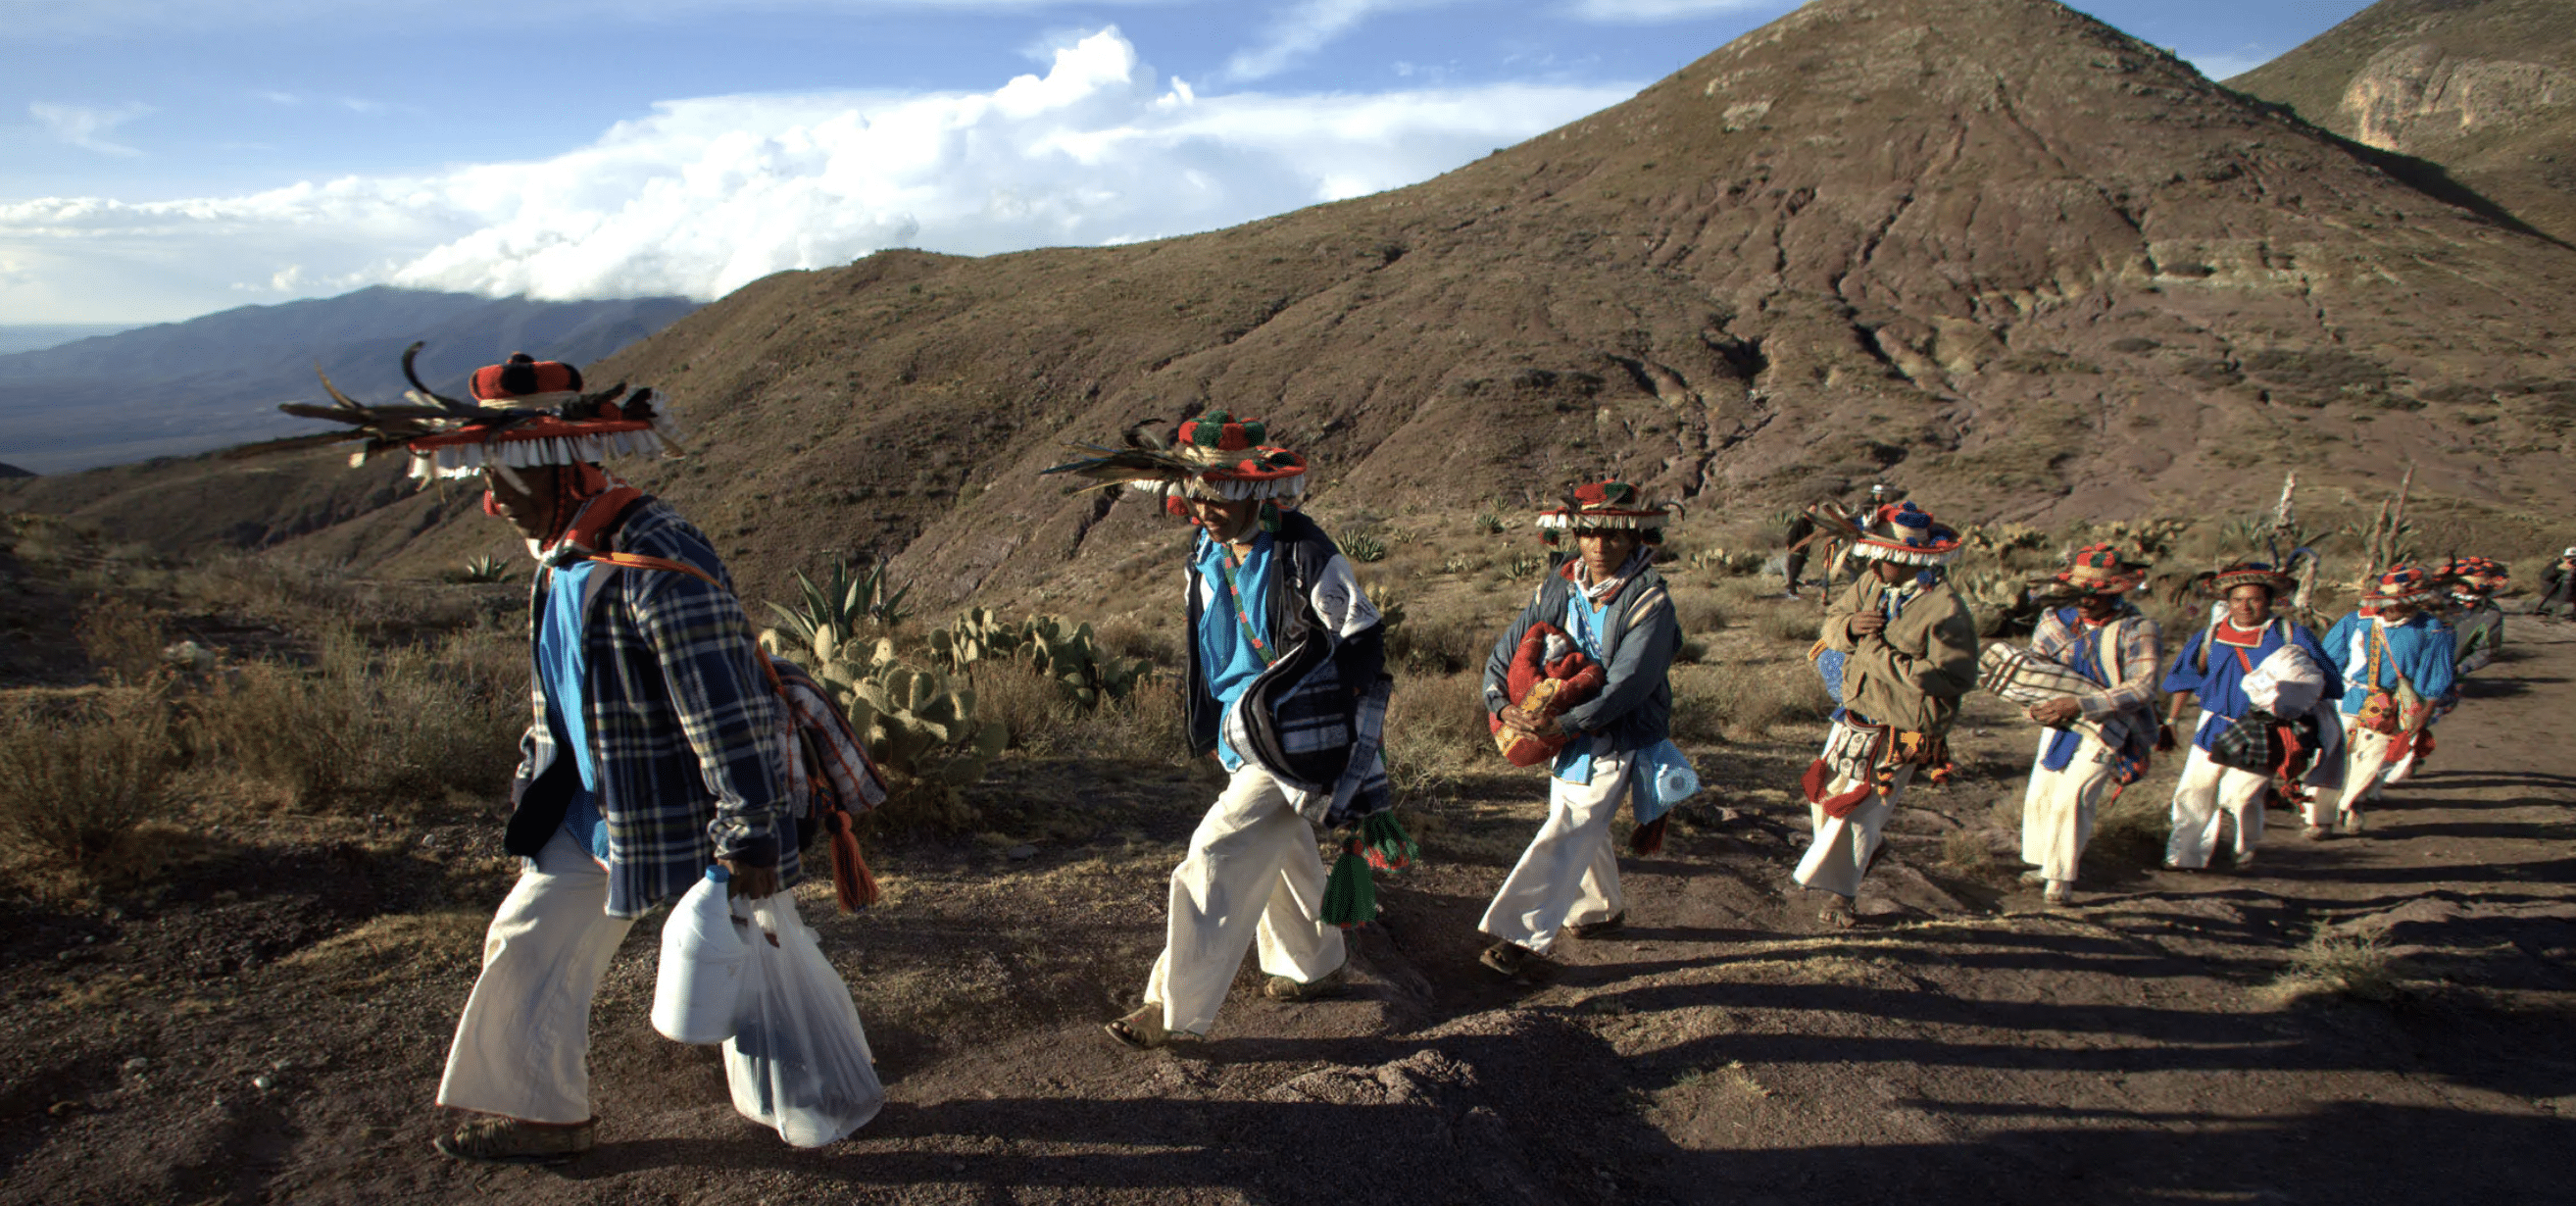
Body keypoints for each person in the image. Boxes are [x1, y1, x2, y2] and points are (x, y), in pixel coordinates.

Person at [242, 348, 794, 1163]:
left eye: (501, 482)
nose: (494, 506)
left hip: (671, 808)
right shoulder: (568, 555)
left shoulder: (654, 555)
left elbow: (722, 703)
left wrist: (751, 830)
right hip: (590, 808)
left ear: (555, 472)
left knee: (753, 955)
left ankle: (815, 1088)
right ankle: (548, 1112)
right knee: (530, 935)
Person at [1052, 412, 1394, 1049]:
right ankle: (1314, 964)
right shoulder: (1206, 553)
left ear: (1253, 494)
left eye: (1217, 496)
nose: (1203, 507)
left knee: (1214, 852)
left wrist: (1327, 724)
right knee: (1283, 849)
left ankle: (1170, 1010)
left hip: (1288, 742)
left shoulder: (1304, 553)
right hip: (1239, 734)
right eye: (1197, 494)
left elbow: (1362, 639)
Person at [1475, 481, 1684, 980]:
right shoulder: (1560, 584)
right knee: (1576, 815)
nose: (1599, 545)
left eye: (1614, 534)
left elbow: (1628, 684)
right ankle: (1600, 913)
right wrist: (1502, 705)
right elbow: (1509, 648)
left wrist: (1563, 722)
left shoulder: (1649, 601)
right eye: (1589, 531)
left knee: (1570, 825)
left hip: (1614, 731)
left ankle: (1518, 936)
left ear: (1636, 538)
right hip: (1564, 723)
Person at [1794, 502, 1978, 928]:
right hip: (1855, 713)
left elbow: (1954, 678)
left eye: (1883, 555)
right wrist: (1849, 629)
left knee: (1857, 812)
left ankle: (1842, 895)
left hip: (1902, 725)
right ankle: (1867, 852)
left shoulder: (1946, 610)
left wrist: (1877, 655)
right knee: (1824, 798)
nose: (1873, 561)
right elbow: (1832, 623)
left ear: (1908, 558)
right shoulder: (1872, 583)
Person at [2159, 562, 2339, 872]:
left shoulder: (2291, 634)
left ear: (2269, 601)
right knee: (2194, 789)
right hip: (2215, 722)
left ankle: (2245, 848)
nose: (2245, 606)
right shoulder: (2212, 634)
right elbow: (2187, 676)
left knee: (2239, 795)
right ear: (2226, 602)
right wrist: (2172, 721)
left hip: (2266, 728)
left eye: (2254, 599)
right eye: (2237, 599)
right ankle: (2184, 856)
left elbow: (2325, 680)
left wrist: (2295, 705)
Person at [2012, 544, 2163, 905]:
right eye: (2079, 593)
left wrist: (2083, 704)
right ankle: (2043, 862)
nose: (2086, 601)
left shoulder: (2137, 628)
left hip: (2110, 723)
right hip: (2060, 720)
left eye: (2096, 594)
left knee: (2073, 797)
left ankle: (2059, 879)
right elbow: (2035, 669)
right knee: (2042, 795)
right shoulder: (2054, 622)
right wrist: (2033, 705)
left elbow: (2143, 684)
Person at [2315, 566, 2455, 837]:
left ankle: (2351, 803)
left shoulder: (2432, 630)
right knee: (2332, 754)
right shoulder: (2355, 621)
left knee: (2375, 759)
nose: (2389, 609)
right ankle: (2319, 818)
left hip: (2392, 706)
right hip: (2349, 696)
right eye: (2384, 603)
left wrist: (2421, 717)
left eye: (2397, 603)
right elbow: (2328, 660)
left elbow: (2435, 678)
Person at [2535, 549, 2576, 621]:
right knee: (2529, 607)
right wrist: (2558, 569)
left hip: (2569, 601)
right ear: (2564, 558)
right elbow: (2544, 577)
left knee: (2568, 608)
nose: (2572, 561)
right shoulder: (2557, 565)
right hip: (2551, 597)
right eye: (2569, 558)